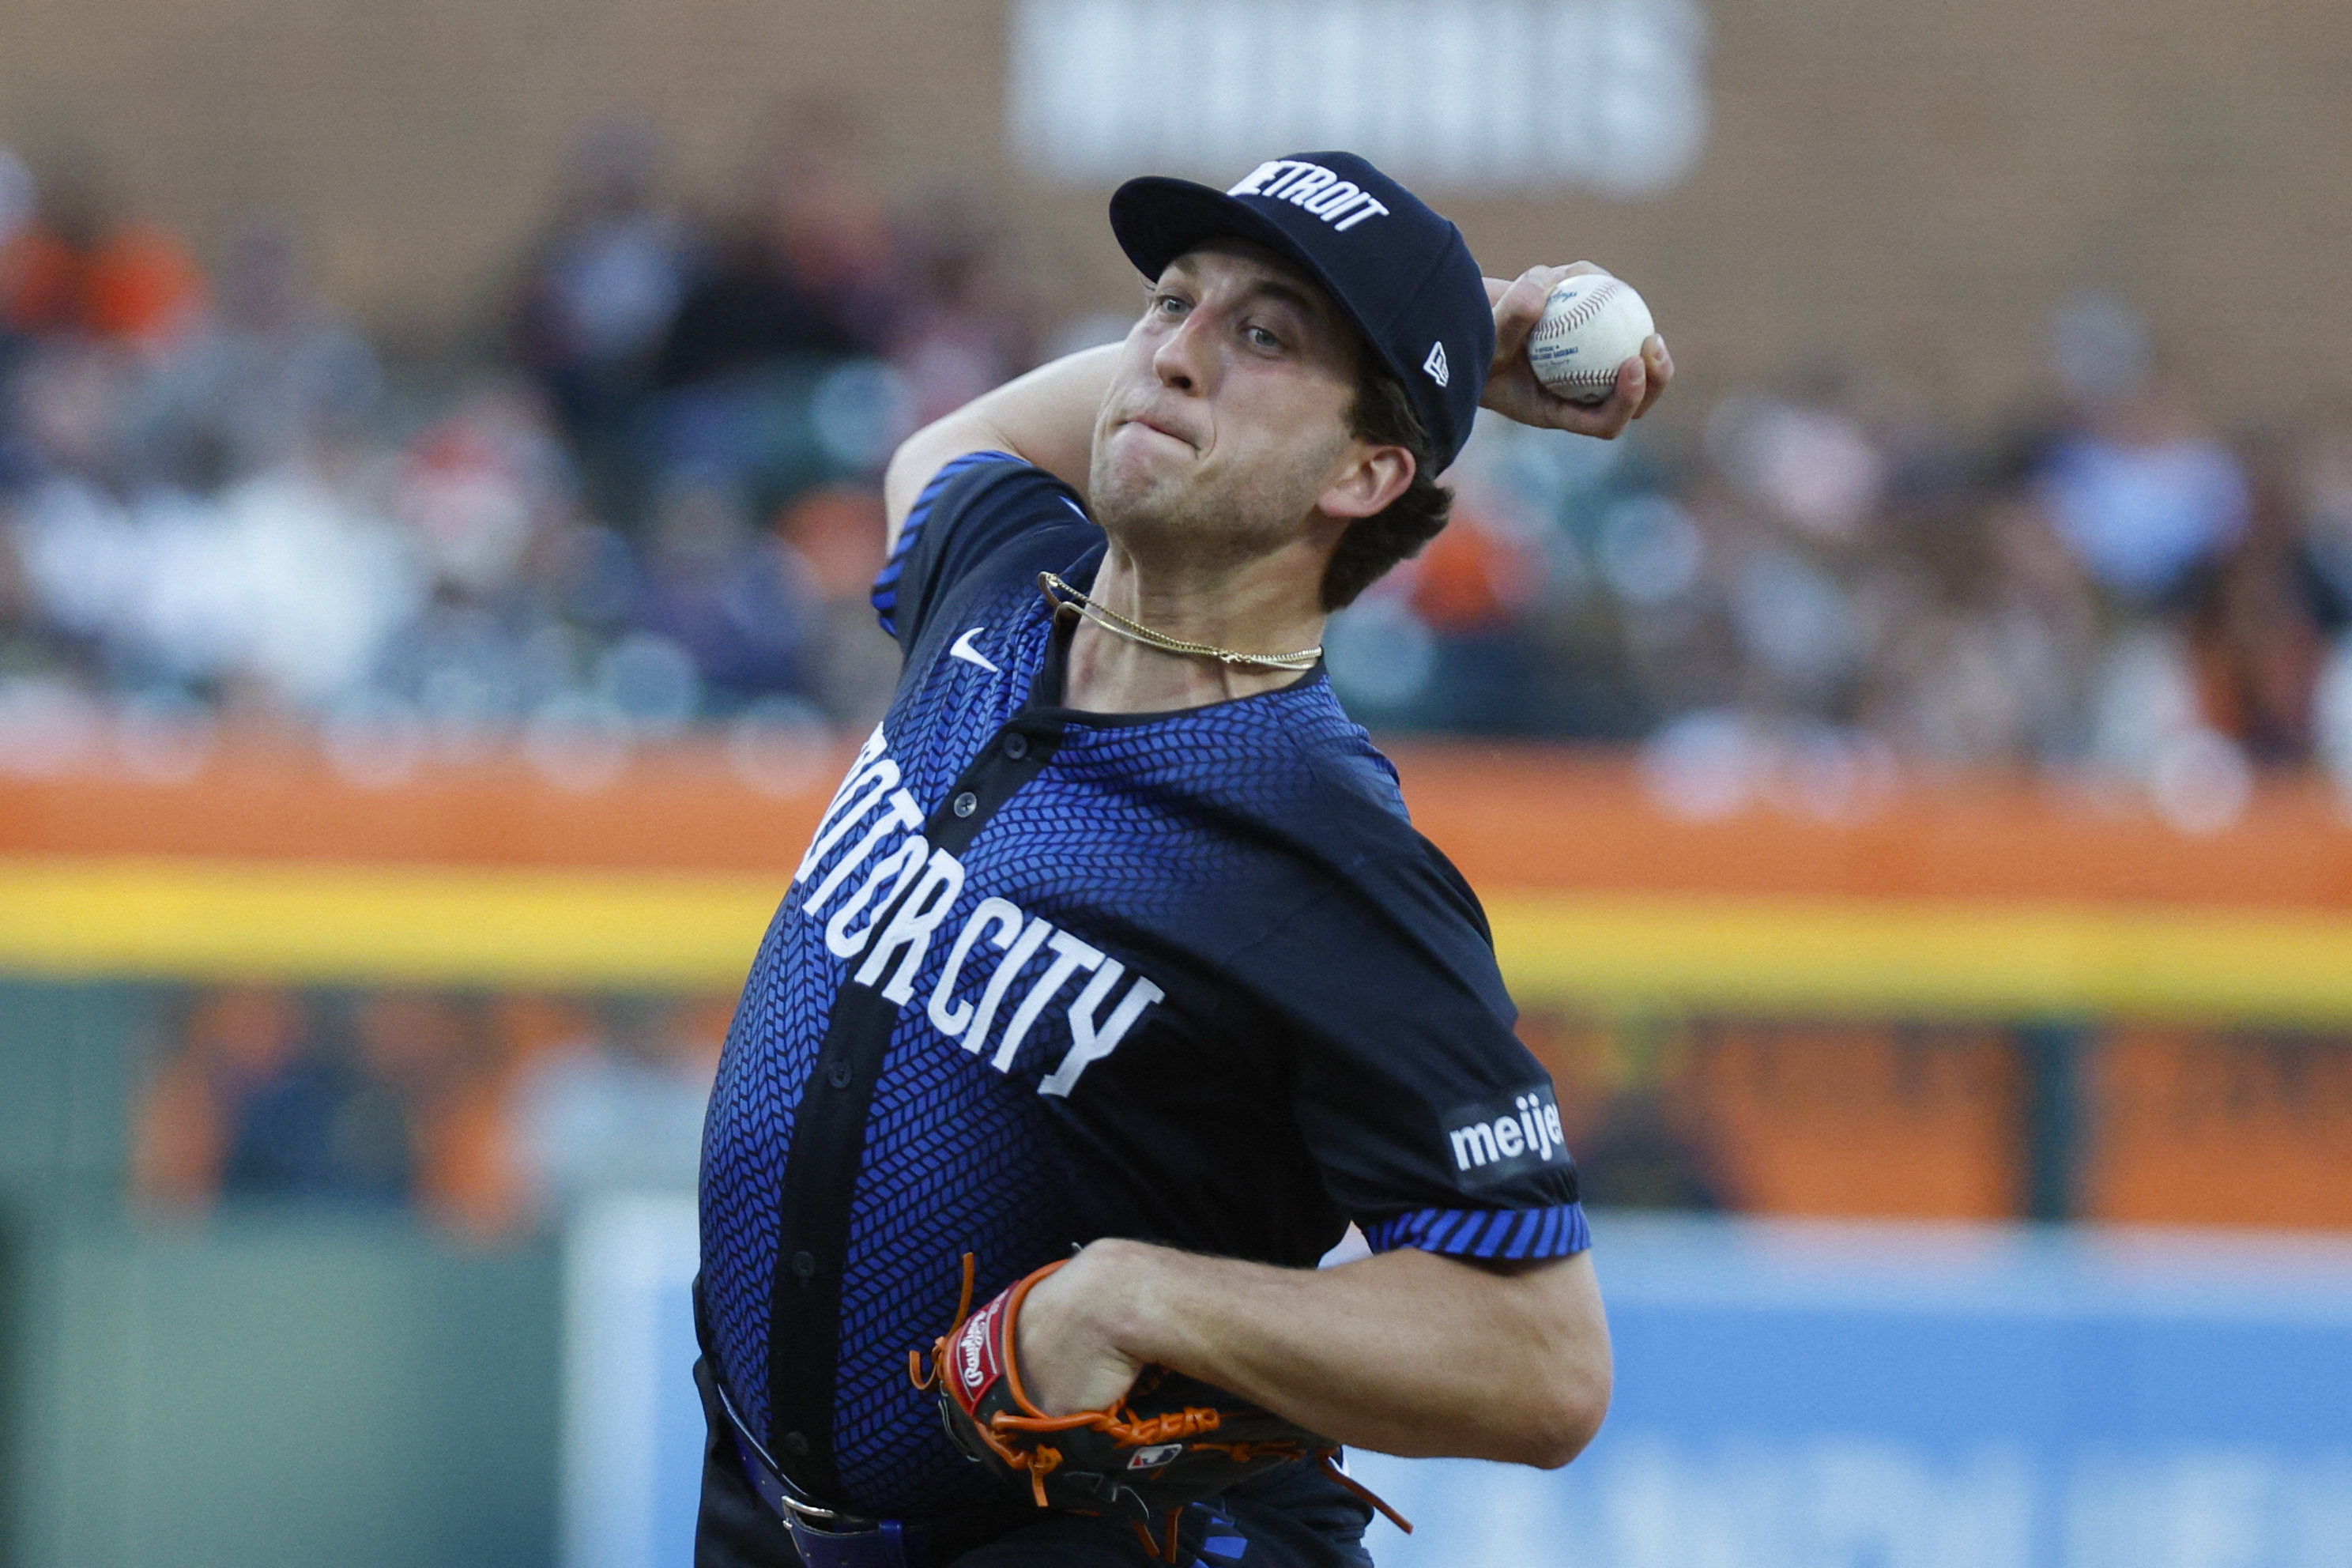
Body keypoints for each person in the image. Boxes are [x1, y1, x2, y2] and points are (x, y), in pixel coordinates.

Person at [694, 150, 1672, 1568]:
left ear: (1366, 470)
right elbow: (954, 442)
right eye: (1168, 301)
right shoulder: (999, 584)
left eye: (1263, 335)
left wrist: (1144, 1300)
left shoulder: (1321, 847)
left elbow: (1543, 1361)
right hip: (766, 1518)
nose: (1171, 354)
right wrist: (1460, 326)